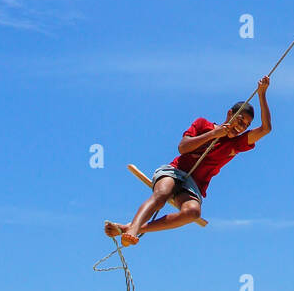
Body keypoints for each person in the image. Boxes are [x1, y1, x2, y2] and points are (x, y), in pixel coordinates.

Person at [105, 77, 271, 246]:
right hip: (175, 171)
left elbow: (266, 129)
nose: (241, 127)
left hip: (193, 186)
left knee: (193, 213)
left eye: (246, 125)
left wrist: (262, 94)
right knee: (161, 195)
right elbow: (183, 148)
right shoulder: (202, 124)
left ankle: (133, 229)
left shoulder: (237, 143)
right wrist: (214, 134)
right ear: (230, 114)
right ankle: (133, 229)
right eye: (240, 120)